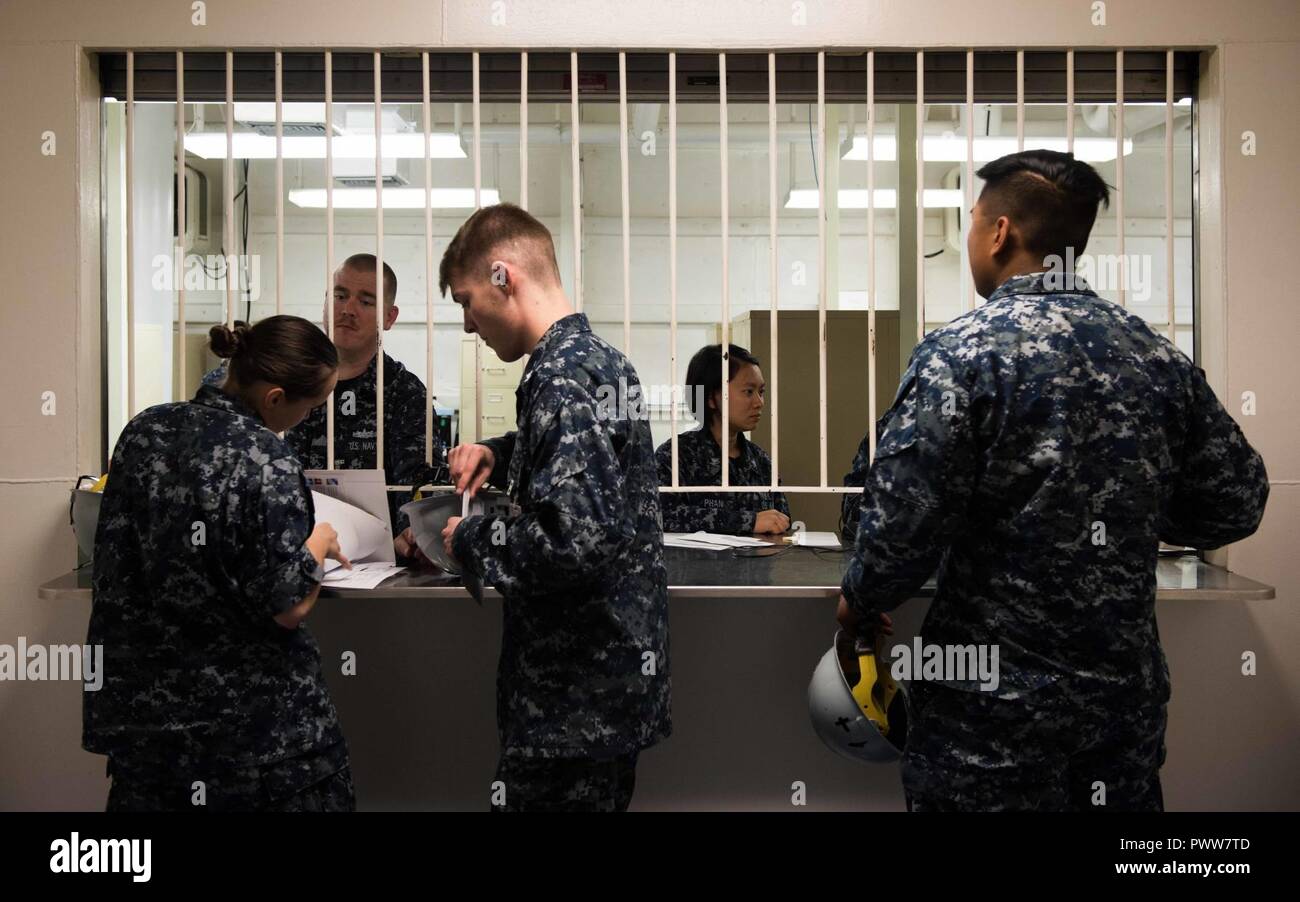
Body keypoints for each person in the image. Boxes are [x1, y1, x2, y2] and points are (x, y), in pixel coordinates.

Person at [837, 149, 1269, 811]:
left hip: (988, 719)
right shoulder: (1155, 357)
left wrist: (863, 598)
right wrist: (1136, 505)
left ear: (1000, 231)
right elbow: (1237, 503)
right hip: (1117, 711)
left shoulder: (963, 354)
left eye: (974, 220)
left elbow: (899, 527)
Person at [437, 203, 671, 812]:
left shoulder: (558, 379)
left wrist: (469, 538)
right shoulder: (600, 360)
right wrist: (499, 450)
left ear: (502, 277)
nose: (467, 325)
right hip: (607, 682)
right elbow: (593, 463)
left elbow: (575, 542)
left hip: (570, 699)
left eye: (465, 300)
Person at [85, 316, 355, 811]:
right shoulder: (264, 457)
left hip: (145, 732)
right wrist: (318, 543)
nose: (308, 418)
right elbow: (287, 606)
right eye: (310, 406)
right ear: (275, 398)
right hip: (249, 741)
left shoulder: (144, 431)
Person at [204, 254, 448, 562]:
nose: (348, 310)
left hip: (373, 563)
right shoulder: (258, 375)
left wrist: (412, 533)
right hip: (269, 555)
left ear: (389, 316)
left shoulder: (403, 393)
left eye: (366, 301)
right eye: (340, 296)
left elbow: (421, 486)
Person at [655, 343, 790, 535]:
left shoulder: (761, 462)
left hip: (757, 564)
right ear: (711, 397)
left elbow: (781, 520)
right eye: (748, 392)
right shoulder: (675, 457)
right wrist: (746, 522)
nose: (759, 403)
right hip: (696, 564)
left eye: (761, 392)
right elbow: (658, 516)